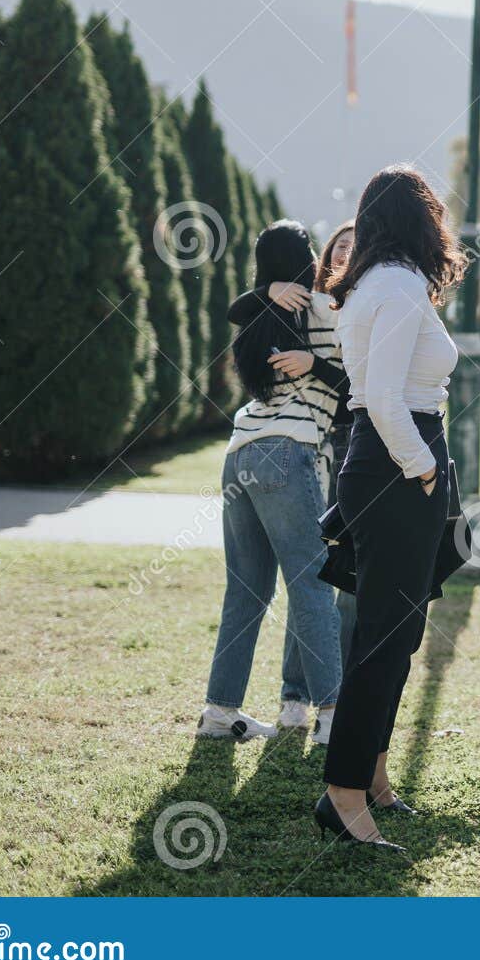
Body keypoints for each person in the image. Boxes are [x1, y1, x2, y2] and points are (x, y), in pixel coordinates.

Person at [316, 167, 465, 851]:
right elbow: (380, 397)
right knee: (383, 638)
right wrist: (426, 468)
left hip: (388, 461)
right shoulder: (400, 286)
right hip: (397, 461)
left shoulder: (380, 282)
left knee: (396, 634)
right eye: (434, 213)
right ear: (416, 219)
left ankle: (373, 775)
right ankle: (344, 793)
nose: (444, 226)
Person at [199, 221, 345, 744]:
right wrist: (320, 365)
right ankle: (331, 715)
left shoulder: (259, 313)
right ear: (309, 256)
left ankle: (219, 712)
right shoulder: (329, 309)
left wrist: (264, 292)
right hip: (288, 450)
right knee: (311, 584)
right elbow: (359, 389)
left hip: (240, 452)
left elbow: (234, 309)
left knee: (246, 589)